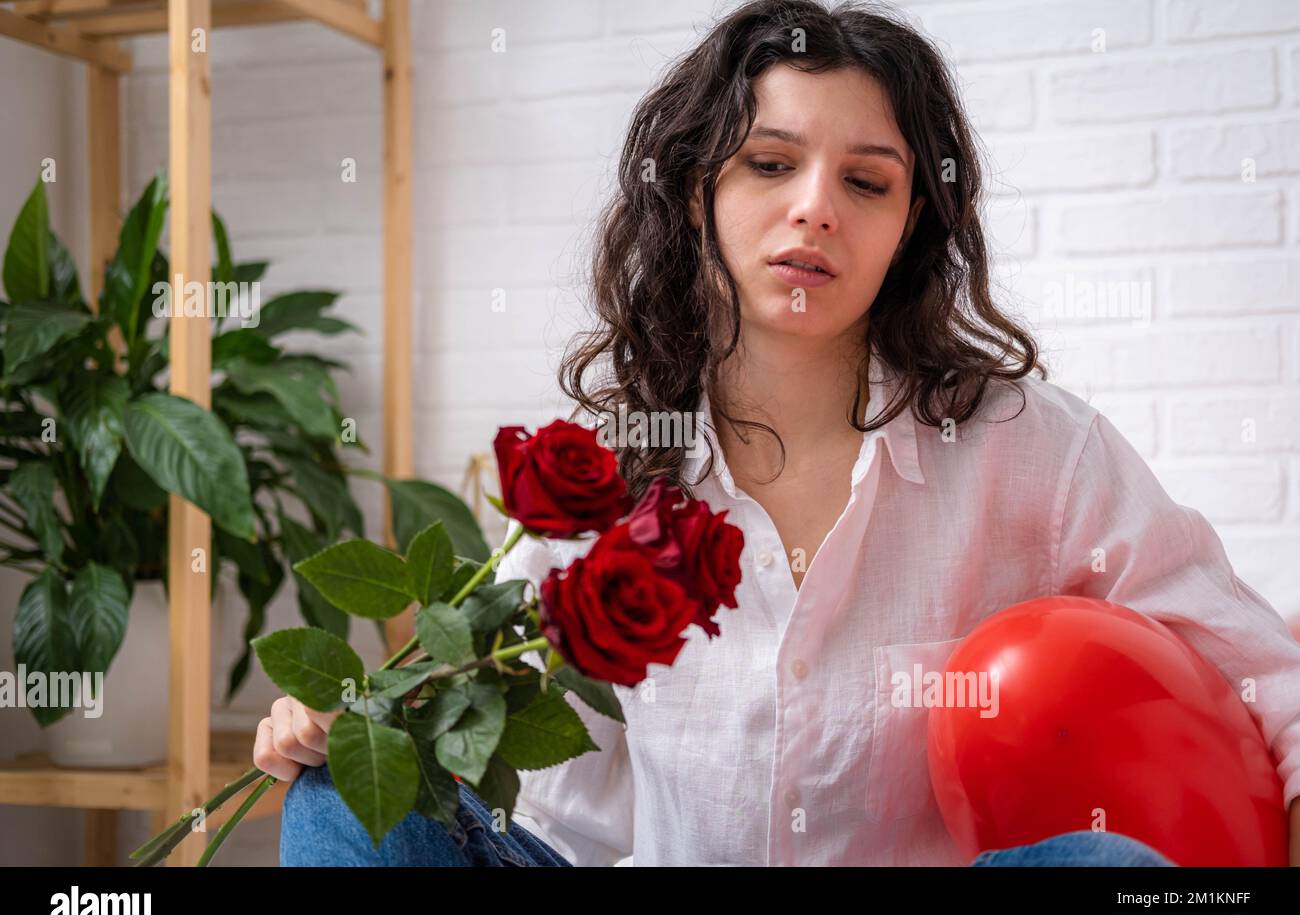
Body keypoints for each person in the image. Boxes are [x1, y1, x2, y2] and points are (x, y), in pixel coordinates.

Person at [258, 0, 1300, 866]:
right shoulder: (605, 469)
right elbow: (556, 810)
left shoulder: (1029, 443)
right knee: (343, 805)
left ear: (910, 227)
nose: (814, 210)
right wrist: (339, 735)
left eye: (866, 181)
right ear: (698, 192)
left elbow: (1267, 674)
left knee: (1104, 867)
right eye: (768, 164)